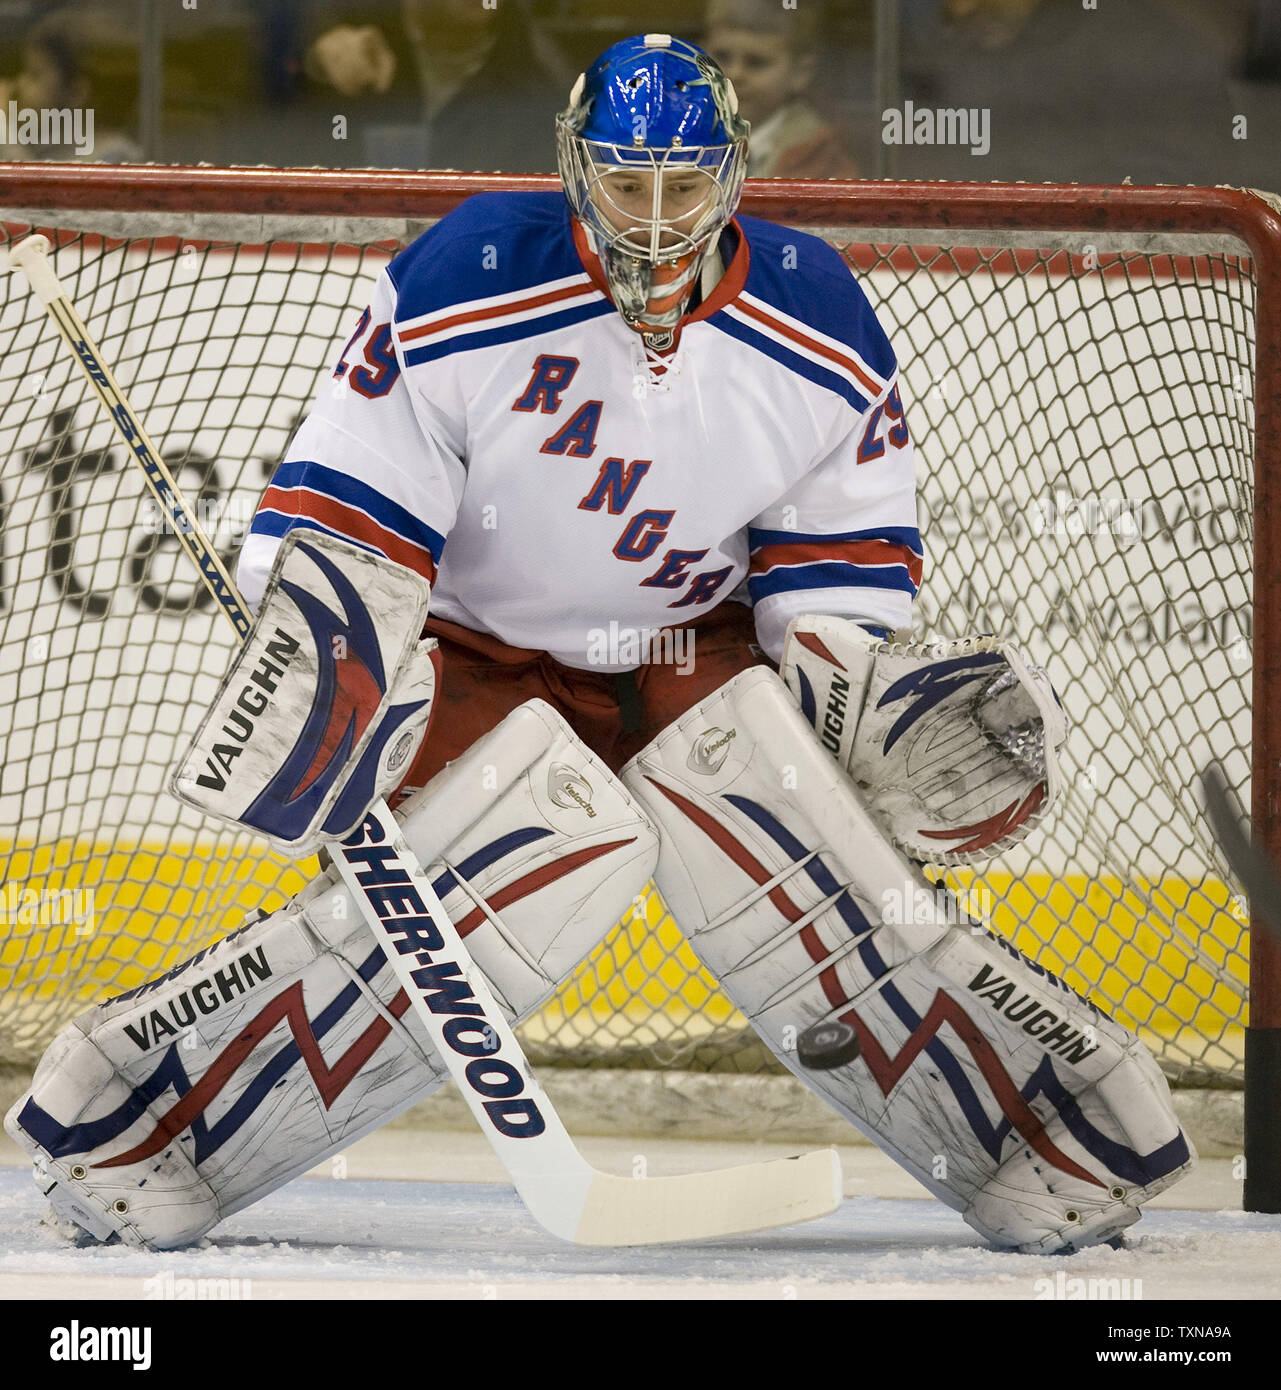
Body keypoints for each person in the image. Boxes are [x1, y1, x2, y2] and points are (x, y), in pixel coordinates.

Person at [5, 35, 1192, 1257]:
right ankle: (138, 1120)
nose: (658, 215)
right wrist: (340, 661)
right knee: (472, 894)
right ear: (578, 172)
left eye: (685, 183)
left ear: (733, 176)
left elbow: (833, 575)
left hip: (682, 654)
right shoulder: (467, 272)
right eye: (628, 182)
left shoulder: (819, 315)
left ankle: (1045, 1132)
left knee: (807, 867)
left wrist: (865, 710)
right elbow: (358, 513)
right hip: (478, 651)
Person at [703, 0, 860, 179]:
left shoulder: (820, 155)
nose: (734, 73)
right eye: (722, 56)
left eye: (756, 62)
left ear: (800, 72)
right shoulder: (679, 131)